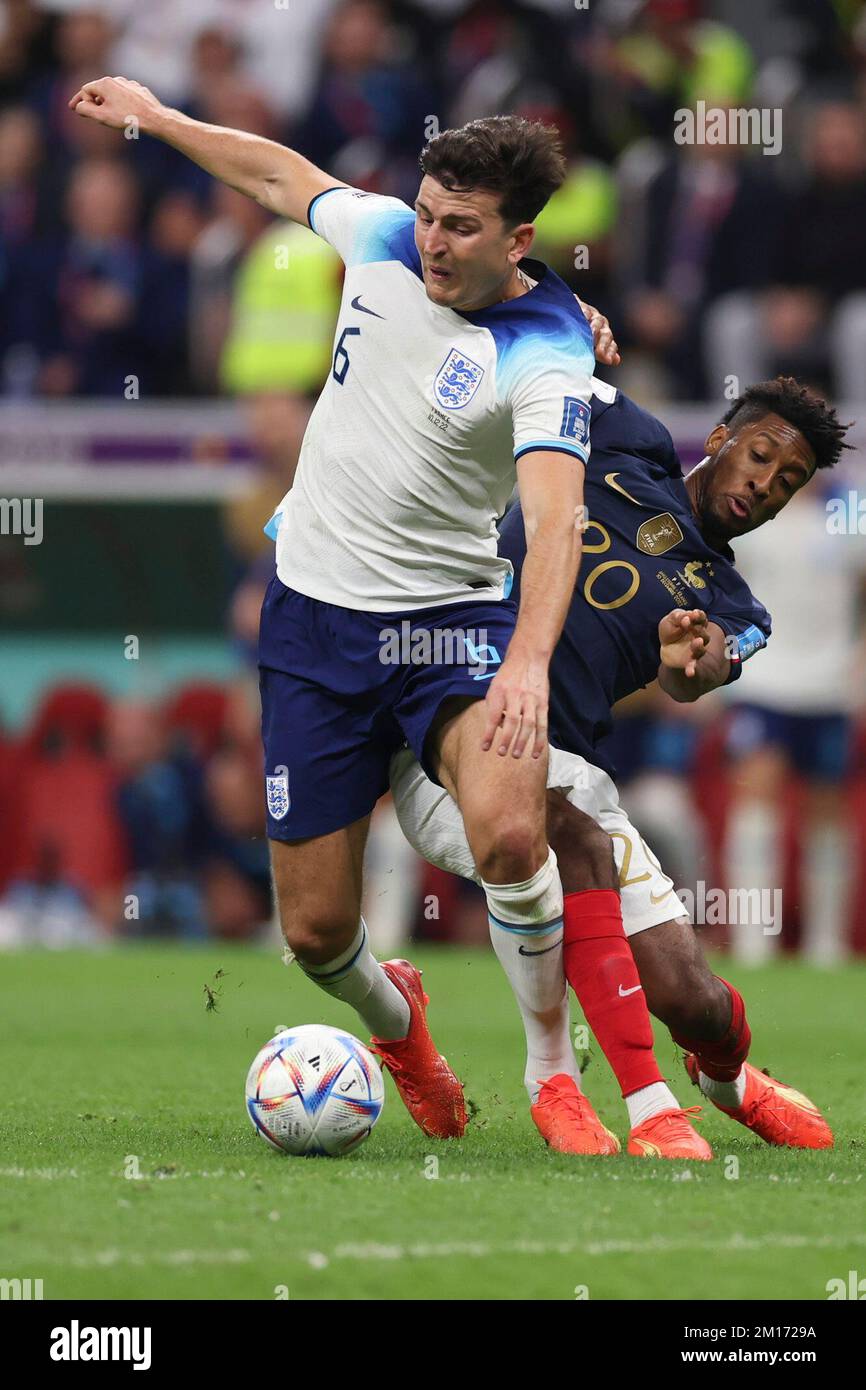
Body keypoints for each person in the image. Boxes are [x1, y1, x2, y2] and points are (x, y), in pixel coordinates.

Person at [70, 77, 702, 1155]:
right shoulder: (381, 238)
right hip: (314, 618)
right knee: (318, 931)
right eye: (426, 214)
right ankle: (400, 1028)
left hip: (449, 624)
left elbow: (554, 521)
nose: (432, 242)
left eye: (461, 227)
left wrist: (526, 665)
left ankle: (552, 1076)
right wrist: (162, 118)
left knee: (512, 834)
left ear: (519, 240)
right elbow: (279, 174)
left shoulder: (546, 349)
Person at [392, 375, 848, 1152]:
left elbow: (701, 670)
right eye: (760, 456)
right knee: (572, 841)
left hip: (568, 763)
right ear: (719, 440)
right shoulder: (624, 441)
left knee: (694, 1001)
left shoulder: (736, 606)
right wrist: (583, 325)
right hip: (452, 726)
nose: (765, 484)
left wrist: (685, 662)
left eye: (789, 480)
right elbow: (544, 364)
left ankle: (729, 1078)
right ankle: (625, 1102)